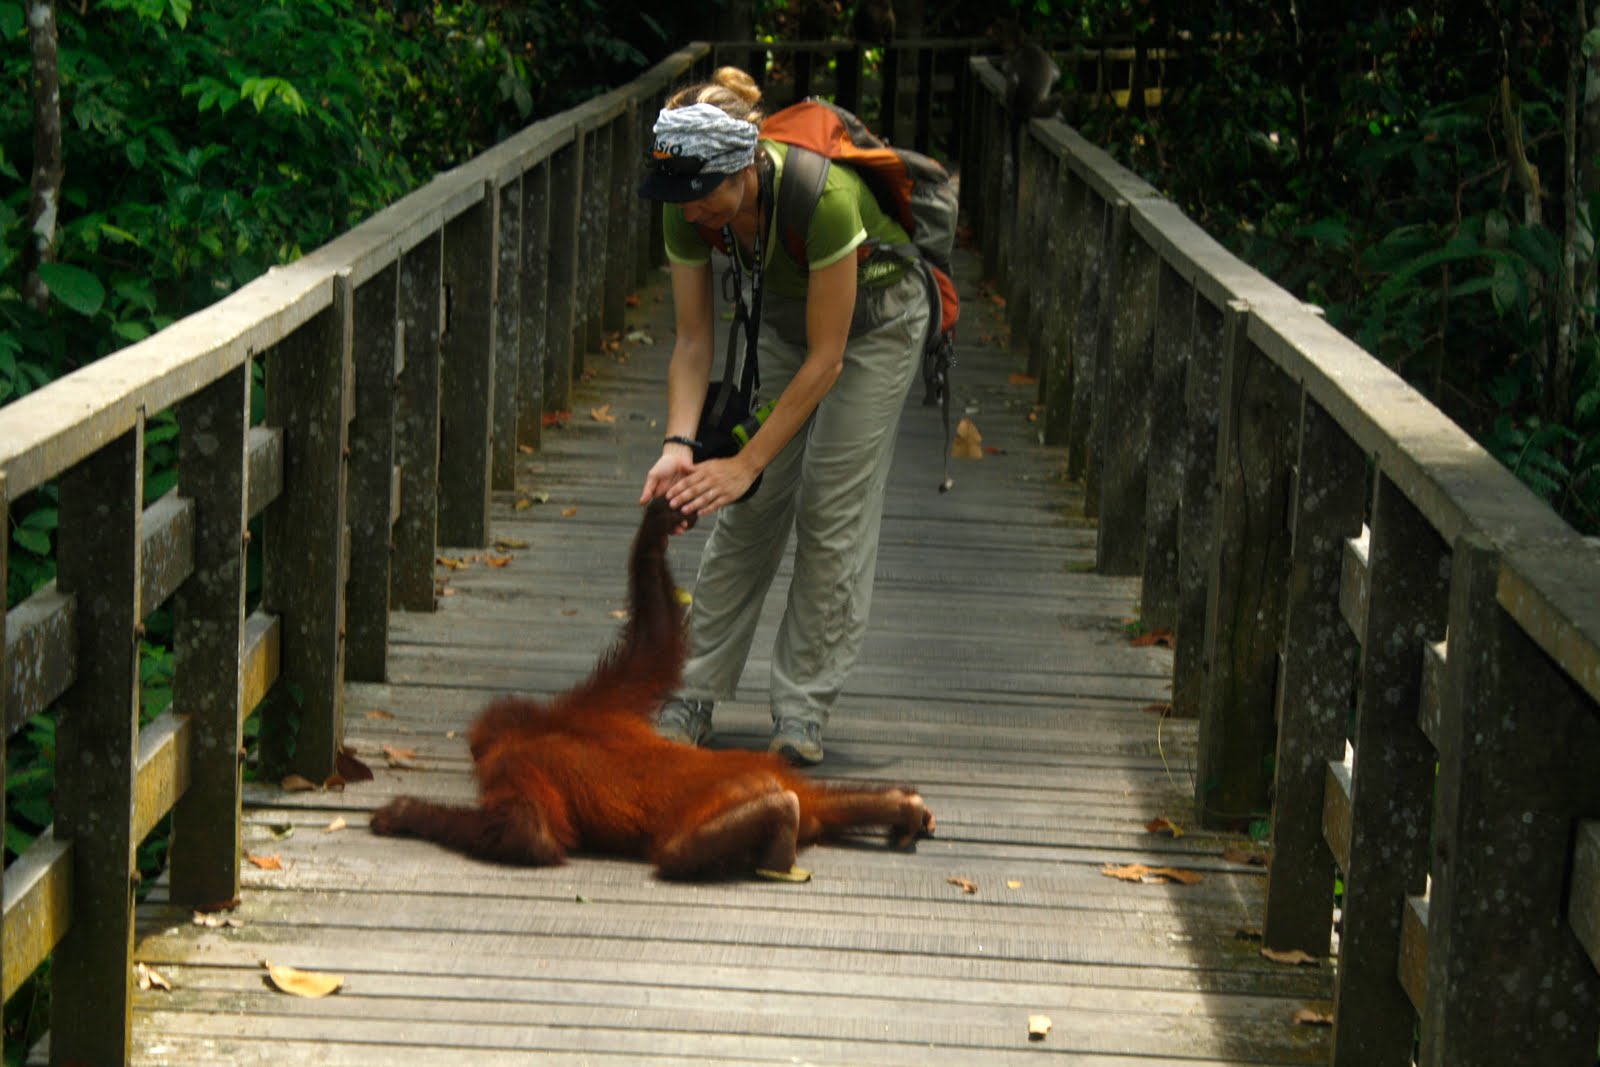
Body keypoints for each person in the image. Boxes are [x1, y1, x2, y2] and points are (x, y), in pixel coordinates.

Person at [636, 67, 931, 766]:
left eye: (703, 194)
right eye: (680, 197)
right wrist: (680, 444)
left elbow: (827, 361)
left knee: (831, 505)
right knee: (747, 510)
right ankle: (691, 693)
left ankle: (802, 709)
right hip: (782, 316)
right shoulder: (688, 203)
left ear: (742, 166)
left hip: (875, 324)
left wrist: (745, 460)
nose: (691, 210)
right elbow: (691, 339)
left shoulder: (820, 195)